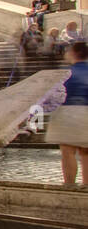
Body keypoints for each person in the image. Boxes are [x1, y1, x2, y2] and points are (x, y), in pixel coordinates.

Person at [46, 40, 88, 185]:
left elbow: (54, 96)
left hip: (67, 113)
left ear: (74, 53)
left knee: (67, 151)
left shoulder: (65, 73)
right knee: (86, 153)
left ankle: (69, 185)